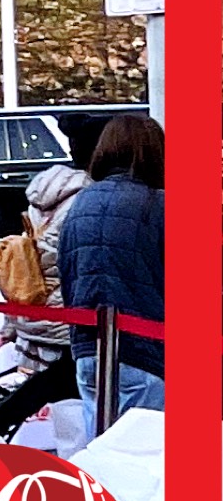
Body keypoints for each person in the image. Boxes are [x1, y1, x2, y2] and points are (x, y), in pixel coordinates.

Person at [57, 113, 165, 438]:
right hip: (146, 350)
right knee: (145, 462)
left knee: (102, 455)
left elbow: (66, 275)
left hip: (90, 349)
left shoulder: (80, 203)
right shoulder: (158, 205)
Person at [0, 157, 91, 436]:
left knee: (46, 392)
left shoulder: (38, 202)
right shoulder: (85, 202)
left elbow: (27, 265)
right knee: (66, 396)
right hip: (68, 318)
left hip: (37, 313)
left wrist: (10, 327)